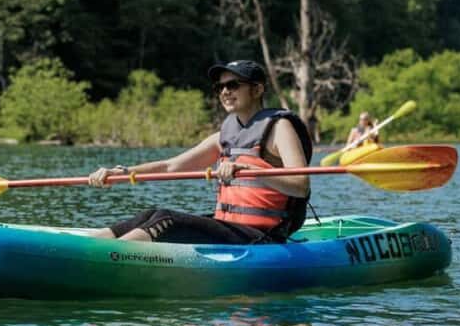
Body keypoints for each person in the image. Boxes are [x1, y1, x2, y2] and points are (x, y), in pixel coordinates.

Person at [88, 60, 312, 245]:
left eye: (233, 85)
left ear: (257, 89)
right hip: (231, 228)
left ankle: (107, 256)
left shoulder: (280, 128)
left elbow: (301, 185)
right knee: (150, 215)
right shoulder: (225, 136)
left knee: (167, 219)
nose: (224, 92)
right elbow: (171, 166)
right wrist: (123, 172)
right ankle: (87, 246)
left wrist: (247, 169)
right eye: (219, 87)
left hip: (262, 236)